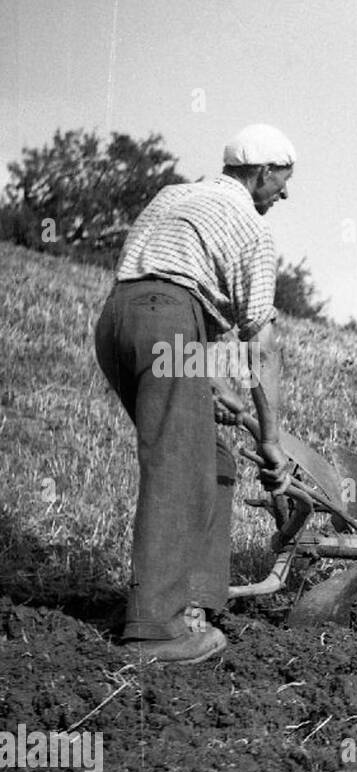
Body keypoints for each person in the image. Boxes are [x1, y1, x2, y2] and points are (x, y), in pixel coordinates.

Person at [94, 124, 296, 663]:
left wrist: (213, 383)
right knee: (179, 470)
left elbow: (155, 286)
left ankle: (196, 600)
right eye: (282, 180)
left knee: (212, 457)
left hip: (118, 321)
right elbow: (261, 342)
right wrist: (273, 440)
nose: (285, 193)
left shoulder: (174, 195)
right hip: (169, 324)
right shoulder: (254, 232)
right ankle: (155, 631)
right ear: (261, 173)